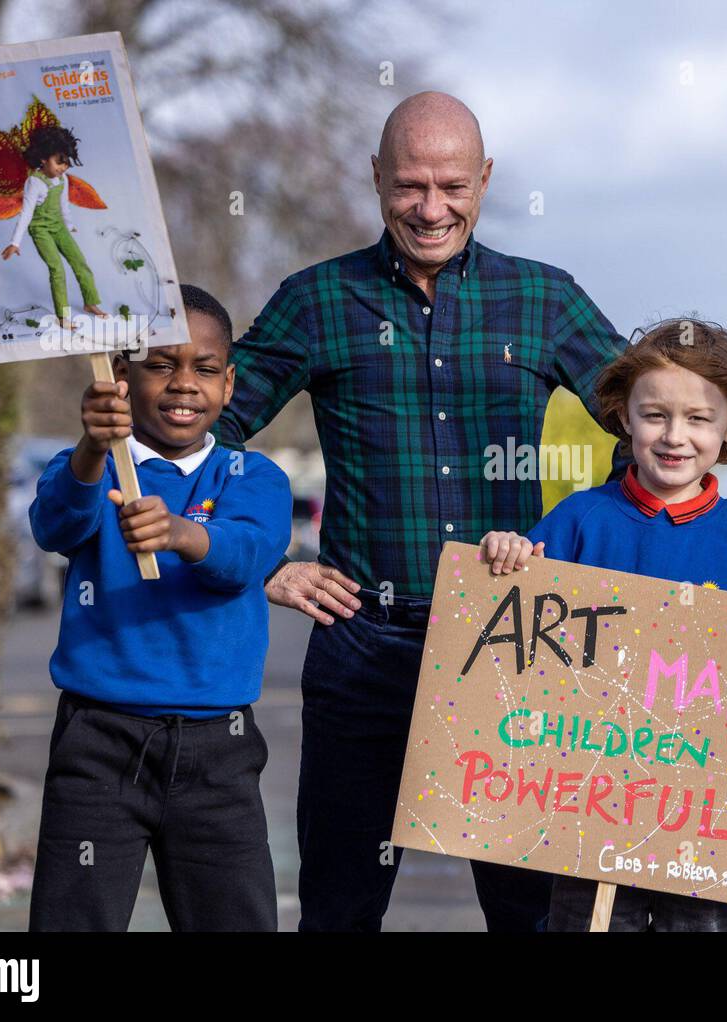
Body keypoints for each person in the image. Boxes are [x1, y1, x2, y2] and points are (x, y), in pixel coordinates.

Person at [212, 91, 630, 931]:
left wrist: (588, 550)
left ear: (483, 180)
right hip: (362, 643)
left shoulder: (545, 300)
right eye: (409, 185)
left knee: (530, 913)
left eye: (450, 185)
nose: (430, 208)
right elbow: (203, 431)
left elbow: (648, 424)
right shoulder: (316, 300)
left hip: (512, 645)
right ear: (375, 179)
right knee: (338, 907)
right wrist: (265, 562)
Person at [478, 318, 727, 931]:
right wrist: (507, 556)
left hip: (711, 830)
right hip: (591, 822)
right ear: (623, 415)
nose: (674, 436)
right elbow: (511, 639)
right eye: (655, 414)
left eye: (698, 418)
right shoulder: (579, 520)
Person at [27, 284, 292, 931]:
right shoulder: (88, 469)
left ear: (228, 385)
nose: (183, 384)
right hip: (98, 744)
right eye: (160, 364)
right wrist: (93, 449)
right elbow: (56, 526)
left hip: (218, 753)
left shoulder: (253, 477)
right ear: (120, 378)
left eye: (204, 369)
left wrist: (179, 533)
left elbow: (247, 555)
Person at [2, 124, 107, 325]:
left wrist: (68, 225)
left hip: (58, 226)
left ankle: (90, 302)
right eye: (59, 161)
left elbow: (63, 204)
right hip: (40, 229)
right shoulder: (34, 182)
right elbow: (26, 213)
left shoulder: (63, 179)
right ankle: (63, 316)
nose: (63, 167)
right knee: (57, 268)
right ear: (43, 158)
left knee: (79, 262)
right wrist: (15, 242)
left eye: (66, 162)